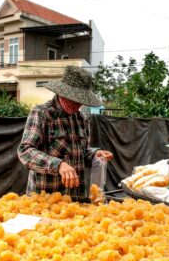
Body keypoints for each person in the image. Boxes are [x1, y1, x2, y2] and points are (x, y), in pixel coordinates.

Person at [17, 65, 113, 197]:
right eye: (73, 99)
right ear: (62, 92)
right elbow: (25, 151)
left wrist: (96, 155)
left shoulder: (81, 119)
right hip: (45, 199)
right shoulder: (42, 114)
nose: (77, 104)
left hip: (75, 198)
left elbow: (83, 153)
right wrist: (58, 165)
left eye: (81, 101)